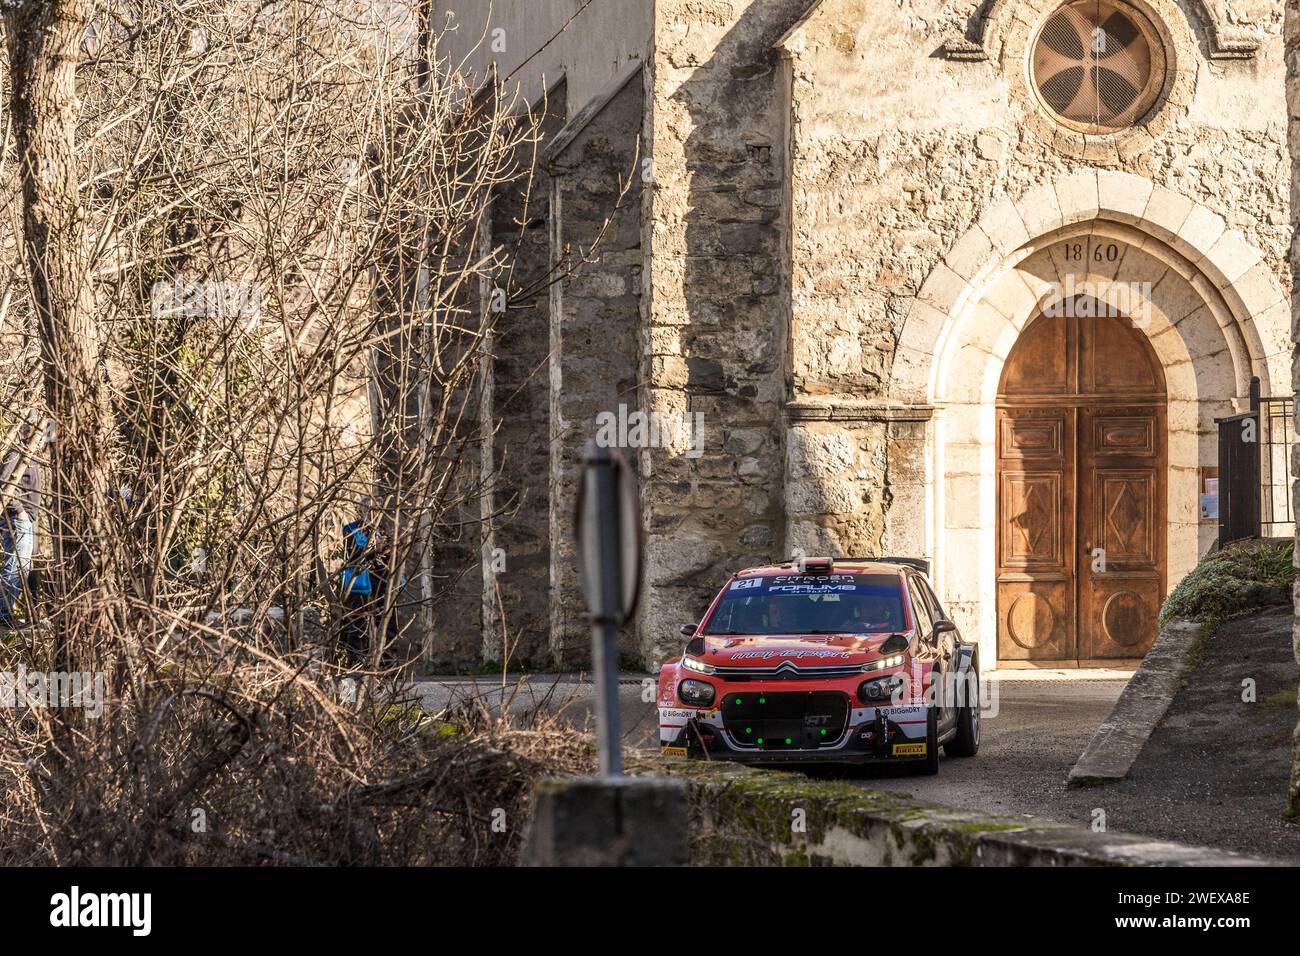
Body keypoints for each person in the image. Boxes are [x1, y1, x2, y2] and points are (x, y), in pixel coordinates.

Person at [0, 423, 42, 627]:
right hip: (17, 520)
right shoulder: (17, 452)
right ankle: (3, 615)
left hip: (26, 521)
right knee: (14, 566)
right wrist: (20, 510)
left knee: (21, 568)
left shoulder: (31, 455)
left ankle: (6, 614)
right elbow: (2, 484)